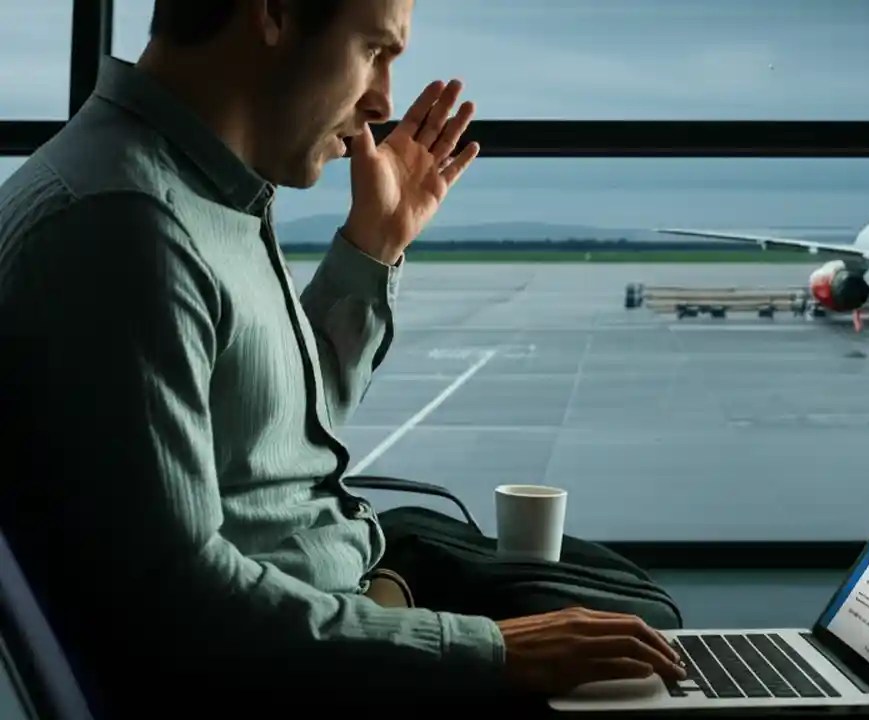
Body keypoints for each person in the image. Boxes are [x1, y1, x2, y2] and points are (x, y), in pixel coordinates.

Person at [0, 0, 683, 714]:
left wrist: (373, 246)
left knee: (634, 617)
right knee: (645, 661)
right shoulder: (126, 226)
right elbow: (178, 607)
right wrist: (491, 652)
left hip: (334, 602)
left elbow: (273, 436)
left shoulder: (200, 194)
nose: (383, 101)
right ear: (273, 13)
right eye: (373, 51)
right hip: (282, 670)